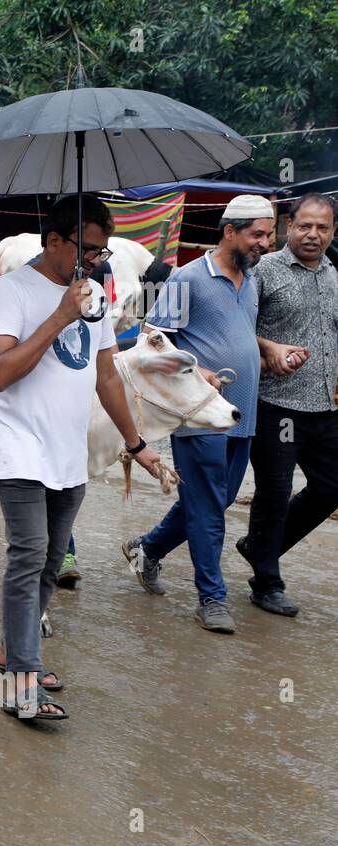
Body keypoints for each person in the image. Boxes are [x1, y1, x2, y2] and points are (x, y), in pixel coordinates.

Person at [0, 195, 161, 719]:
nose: (94, 261)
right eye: (87, 249)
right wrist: (60, 315)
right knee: (28, 554)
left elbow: (106, 376)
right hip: (18, 448)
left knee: (53, 562)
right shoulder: (10, 292)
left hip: (67, 452)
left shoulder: (96, 296)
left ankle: (13, 651)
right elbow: (0, 372)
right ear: (52, 240)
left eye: (102, 253)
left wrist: (138, 444)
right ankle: (22, 681)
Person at [122, 194, 273, 635]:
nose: (266, 243)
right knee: (208, 507)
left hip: (240, 413)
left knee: (216, 499)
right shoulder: (190, 279)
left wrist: (271, 351)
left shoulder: (252, 280)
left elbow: (242, 336)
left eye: (269, 234)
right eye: (257, 234)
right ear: (230, 231)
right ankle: (212, 597)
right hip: (197, 415)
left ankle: (146, 550)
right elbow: (153, 340)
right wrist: (200, 370)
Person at [236, 194, 338, 617]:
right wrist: (268, 348)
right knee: (275, 494)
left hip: (326, 404)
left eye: (323, 228)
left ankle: (260, 547)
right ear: (288, 227)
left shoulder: (334, 274)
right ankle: (267, 581)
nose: (313, 235)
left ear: (333, 232)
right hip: (276, 404)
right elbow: (236, 327)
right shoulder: (263, 272)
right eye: (304, 226)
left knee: (331, 487)